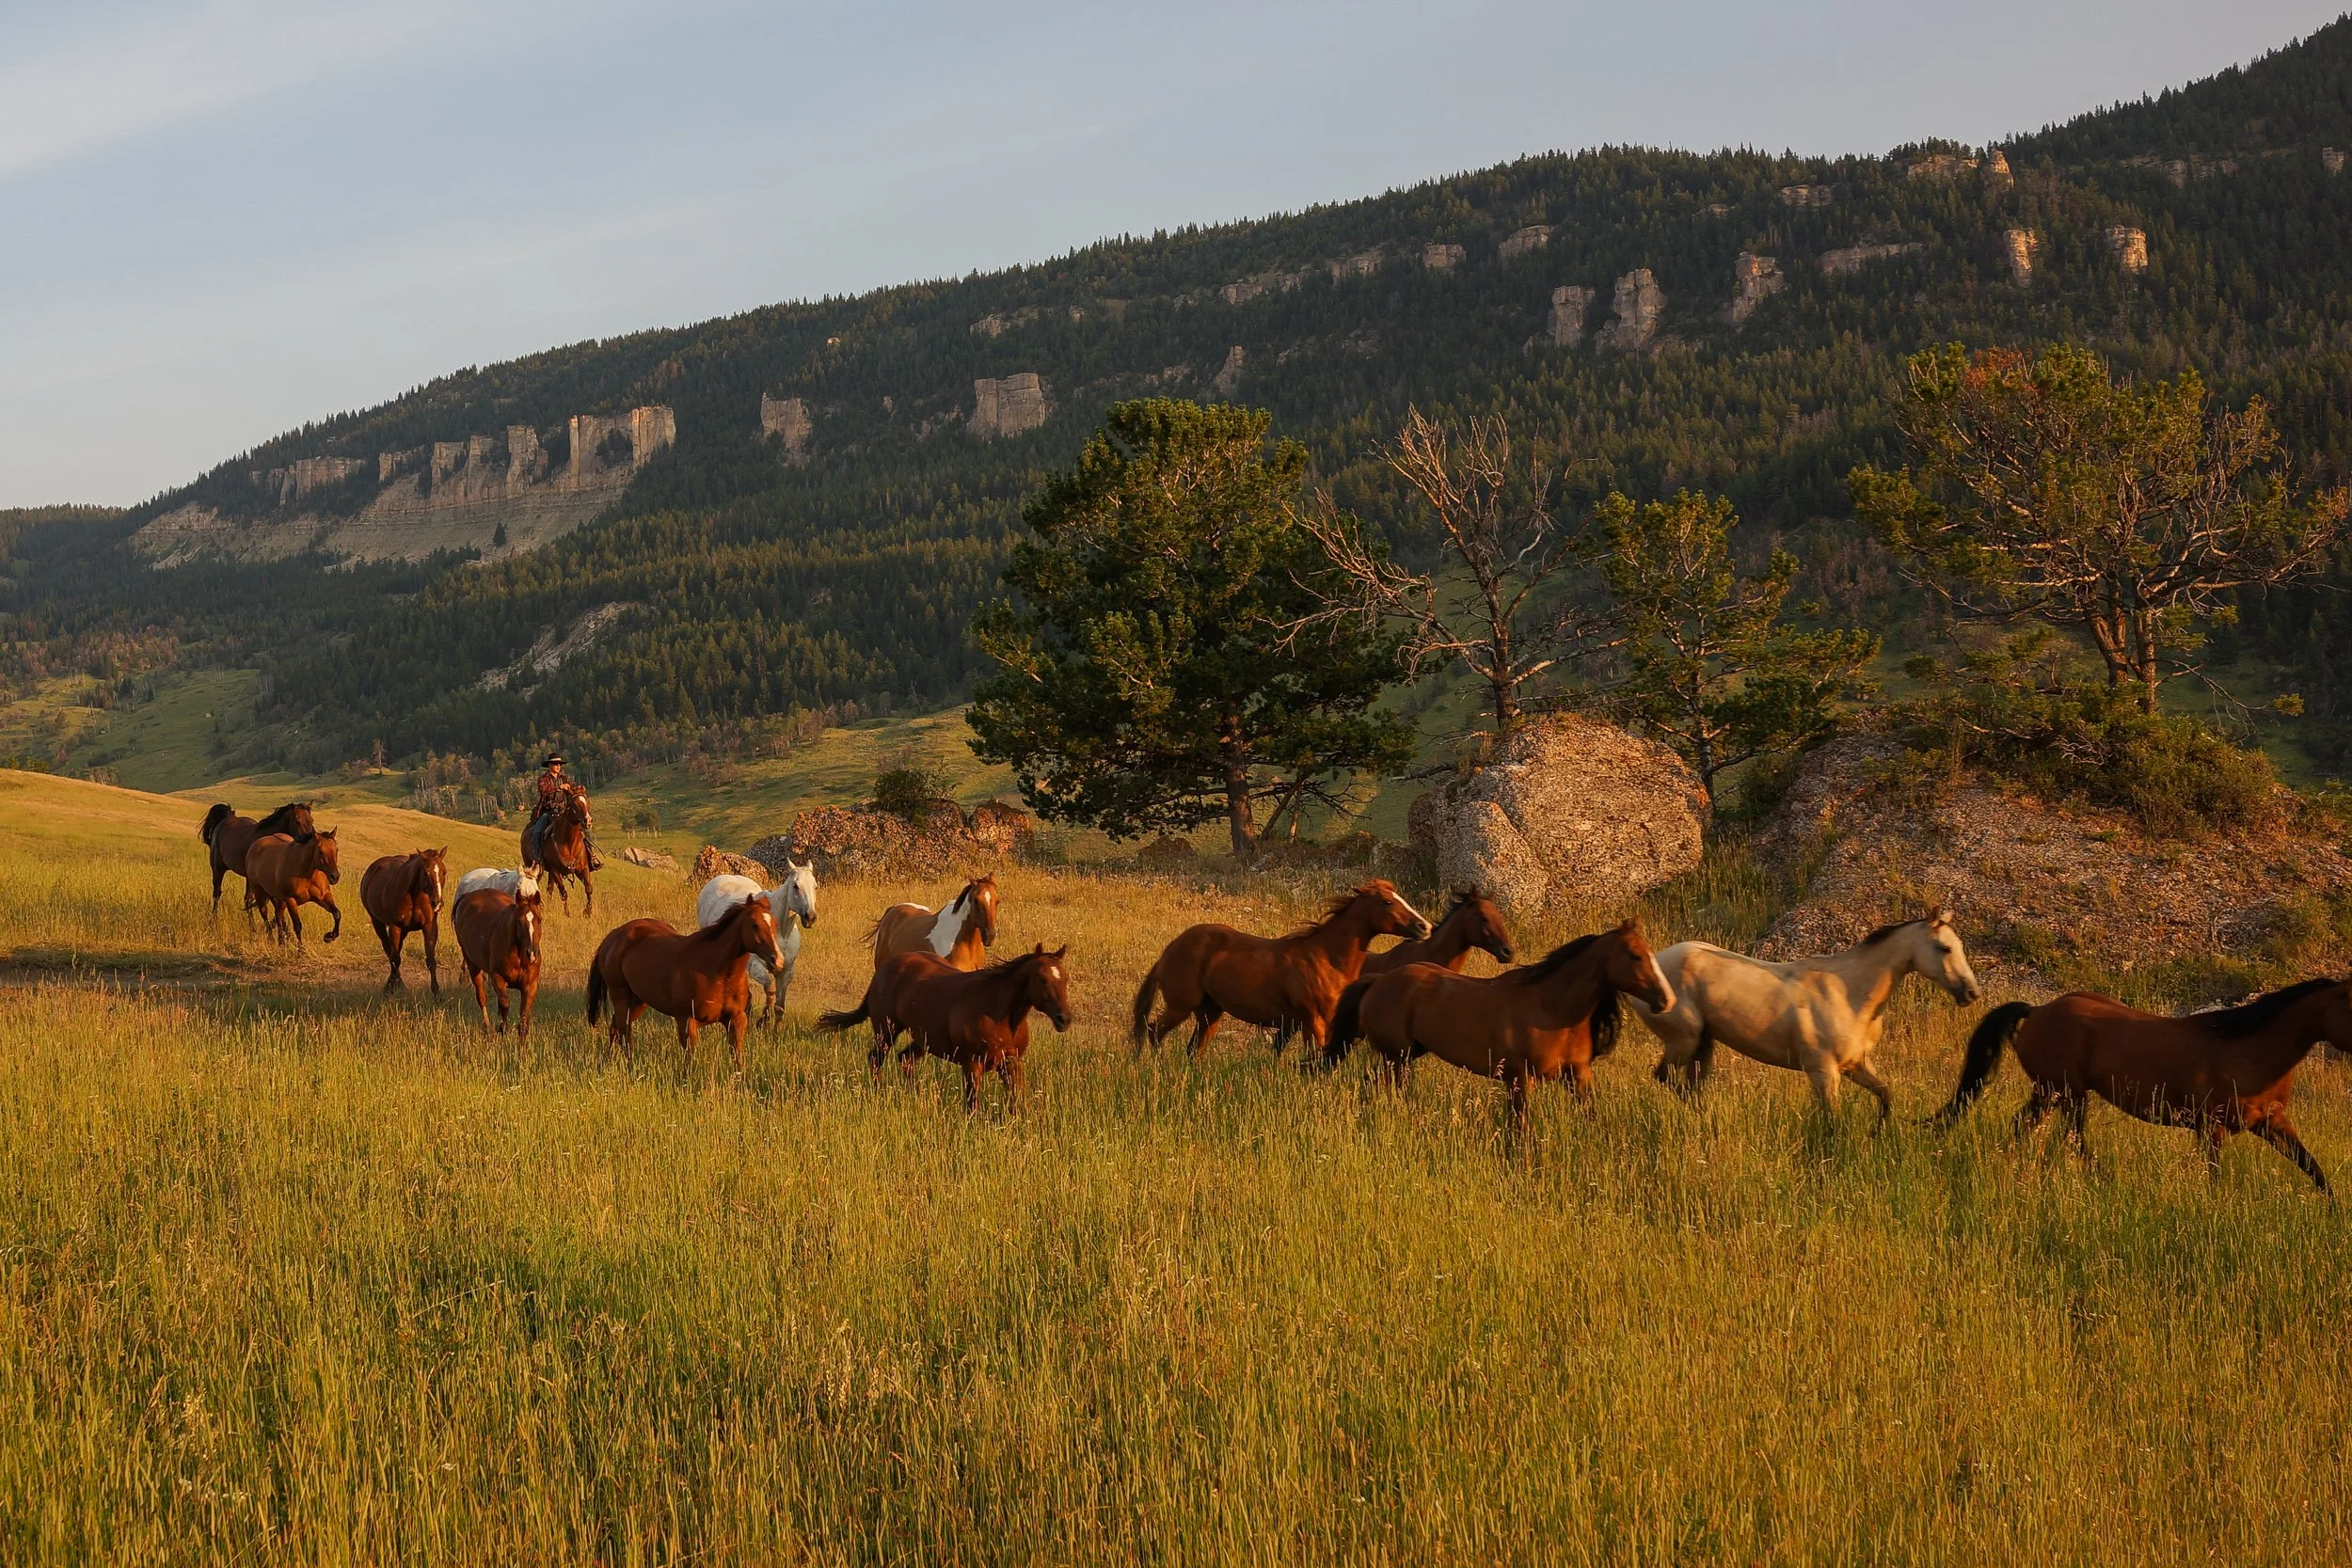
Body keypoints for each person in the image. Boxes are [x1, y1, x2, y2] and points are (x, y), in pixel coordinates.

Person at [530, 753, 602, 870]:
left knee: (582, 829)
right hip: (548, 810)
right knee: (537, 831)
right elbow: (544, 790)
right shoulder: (543, 779)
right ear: (549, 765)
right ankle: (537, 859)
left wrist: (578, 789)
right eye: (555, 764)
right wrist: (559, 788)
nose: (558, 766)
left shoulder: (564, 778)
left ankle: (591, 856)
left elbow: (573, 789)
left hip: (564, 810)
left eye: (559, 764)